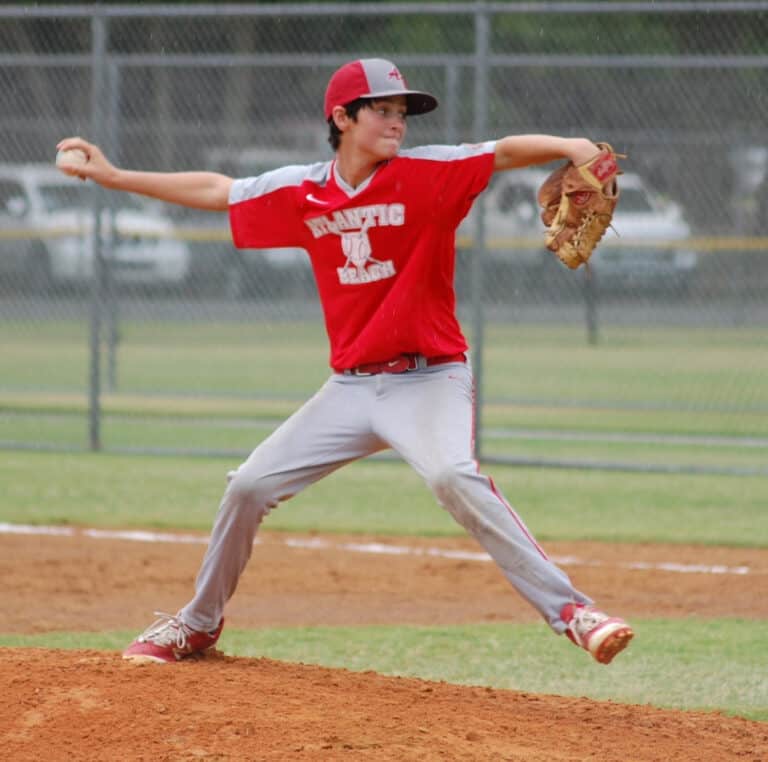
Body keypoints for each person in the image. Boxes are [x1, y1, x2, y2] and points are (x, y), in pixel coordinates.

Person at [58, 58, 633, 666]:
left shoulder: (428, 173)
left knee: (451, 476)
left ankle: (574, 613)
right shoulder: (304, 191)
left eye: (401, 112)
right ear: (342, 117)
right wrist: (114, 177)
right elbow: (218, 191)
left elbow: (503, 151)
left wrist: (571, 146)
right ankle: (198, 624)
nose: (397, 122)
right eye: (382, 110)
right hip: (351, 388)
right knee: (249, 485)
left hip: (430, 377)